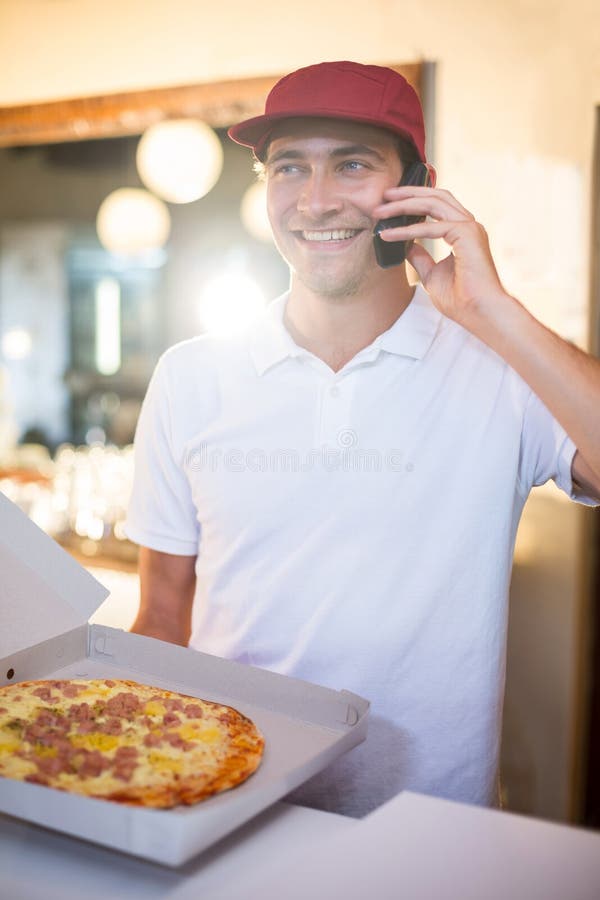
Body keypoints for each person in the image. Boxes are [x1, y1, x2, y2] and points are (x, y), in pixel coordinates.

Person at [125, 61, 600, 817]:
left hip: (429, 828)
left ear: (417, 184)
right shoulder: (191, 376)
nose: (316, 201)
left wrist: (493, 310)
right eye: (290, 168)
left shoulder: (503, 369)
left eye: (351, 164)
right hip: (227, 810)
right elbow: (159, 619)